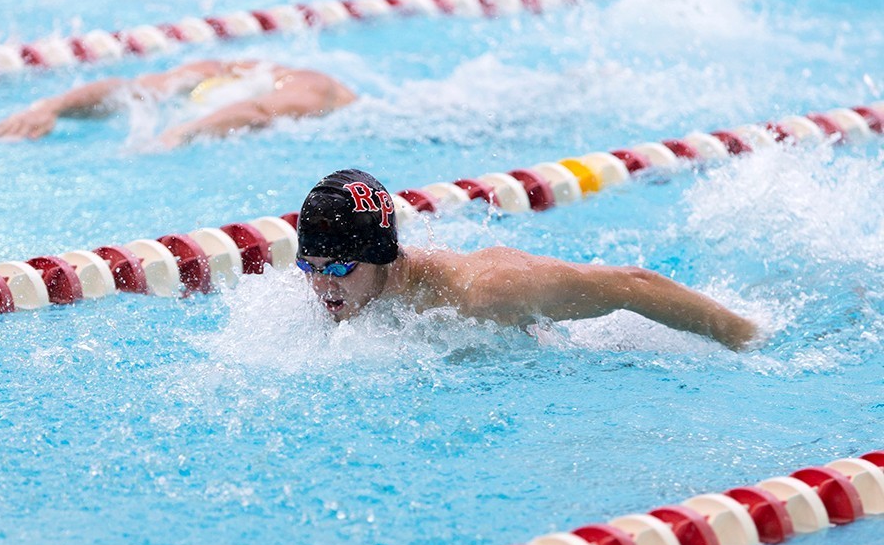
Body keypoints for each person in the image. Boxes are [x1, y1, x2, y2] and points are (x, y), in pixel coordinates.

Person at [295, 169, 759, 351]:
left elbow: (632, 284)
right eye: (309, 267)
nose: (322, 286)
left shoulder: (484, 291)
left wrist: (744, 338)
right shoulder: (337, 294)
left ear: (382, 256)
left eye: (338, 268)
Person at [0, 60, 357, 148]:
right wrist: (51, 107)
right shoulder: (215, 71)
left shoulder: (311, 86)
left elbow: (257, 114)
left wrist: (183, 133)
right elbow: (129, 89)